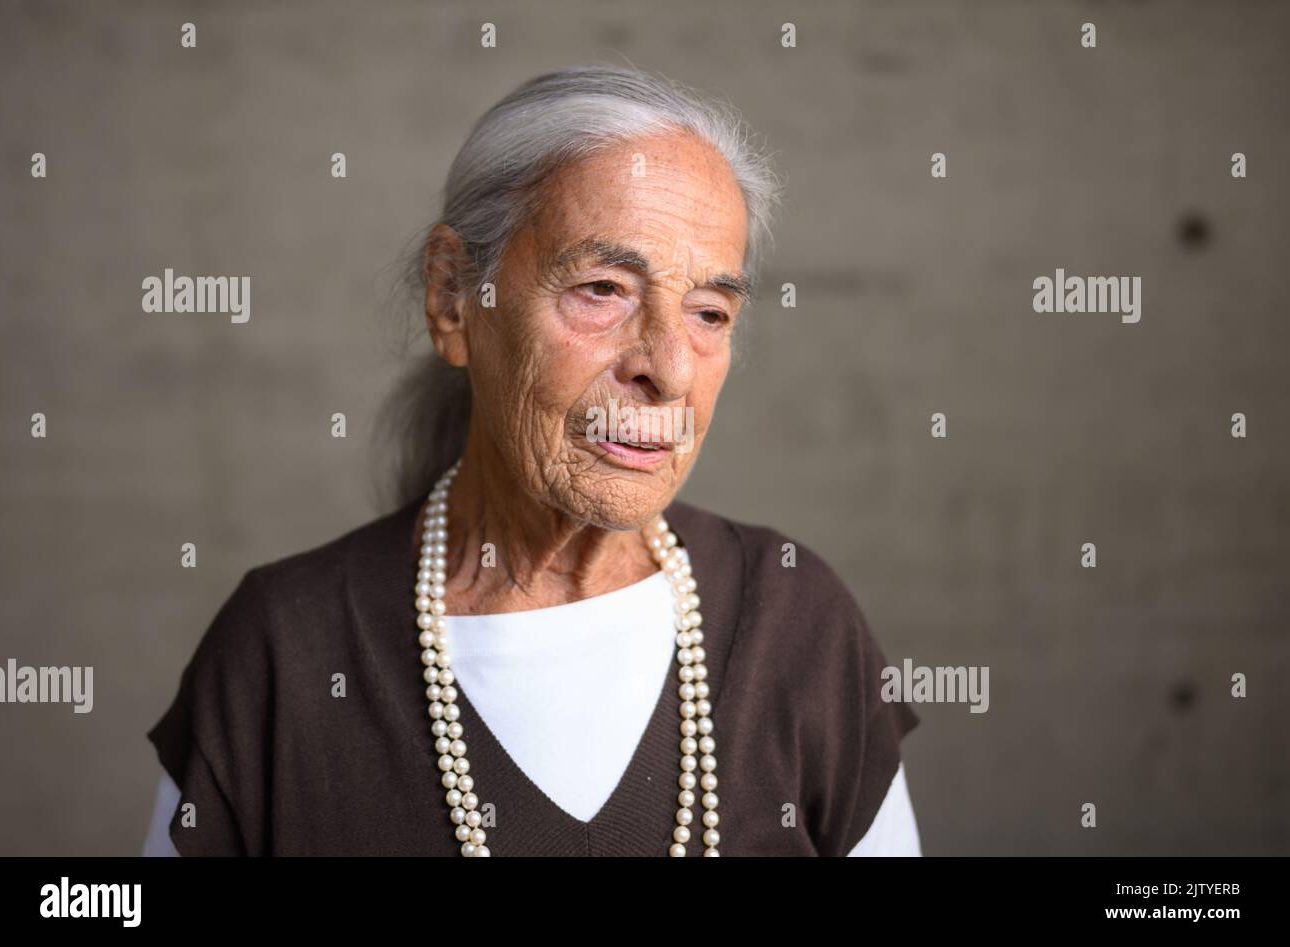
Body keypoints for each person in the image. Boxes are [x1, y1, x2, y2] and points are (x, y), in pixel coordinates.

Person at [143, 63, 921, 856]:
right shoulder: (284, 652)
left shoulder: (796, 624)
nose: (671, 368)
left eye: (709, 312)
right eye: (603, 289)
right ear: (454, 298)